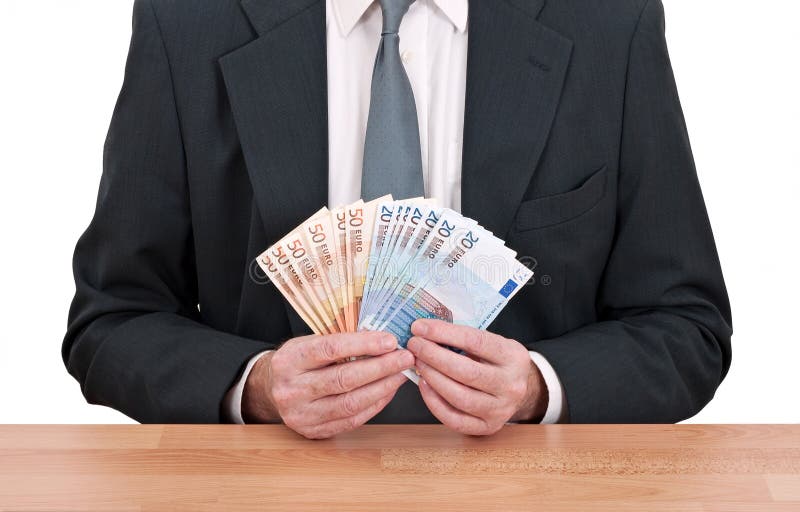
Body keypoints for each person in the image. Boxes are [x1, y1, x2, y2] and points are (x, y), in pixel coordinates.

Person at [64, 0, 732, 439]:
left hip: (527, 491)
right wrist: (257, 386)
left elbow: (686, 330)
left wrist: (536, 386)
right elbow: (111, 324)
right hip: (267, 492)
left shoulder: (608, 24)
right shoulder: (187, 22)